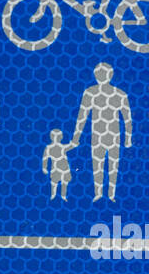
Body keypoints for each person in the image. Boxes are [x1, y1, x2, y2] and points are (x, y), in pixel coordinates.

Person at [68, 63, 132, 201]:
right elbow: (82, 116)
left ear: (110, 75)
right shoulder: (90, 93)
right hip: (97, 136)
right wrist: (76, 138)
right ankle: (99, 194)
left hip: (113, 136)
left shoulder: (119, 94)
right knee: (98, 165)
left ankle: (111, 195)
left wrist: (128, 138)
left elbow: (127, 118)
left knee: (112, 165)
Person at [42, 128, 73, 201]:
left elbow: (70, 146)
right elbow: (45, 158)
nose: (56, 138)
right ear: (51, 137)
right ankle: (53, 195)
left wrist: (74, 143)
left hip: (64, 167)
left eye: (58, 136)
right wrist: (44, 167)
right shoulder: (48, 147)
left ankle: (63, 196)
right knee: (54, 182)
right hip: (55, 168)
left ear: (61, 137)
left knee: (64, 182)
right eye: (54, 136)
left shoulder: (62, 146)